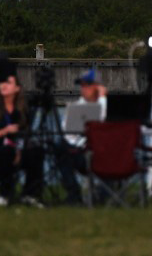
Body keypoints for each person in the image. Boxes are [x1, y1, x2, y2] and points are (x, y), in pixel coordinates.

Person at [0, 74, 45, 207]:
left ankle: (30, 195)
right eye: (2, 82)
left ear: (17, 88)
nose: (3, 85)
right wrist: (4, 131)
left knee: (37, 151)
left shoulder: (22, 109)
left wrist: (19, 150)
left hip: (16, 149)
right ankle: (5, 195)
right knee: (6, 151)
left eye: (8, 82)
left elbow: (25, 135)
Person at [55, 69, 108, 205]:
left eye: (88, 85)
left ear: (98, 86)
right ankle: (74, 194)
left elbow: (103, 118)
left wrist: (102, 98)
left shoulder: (108, 105)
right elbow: (67, 134)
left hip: (106, 155)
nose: (84, 89)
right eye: (82, 85)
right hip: (82, 154)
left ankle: (103, 195)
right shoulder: (76, 107)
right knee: (61, 148)